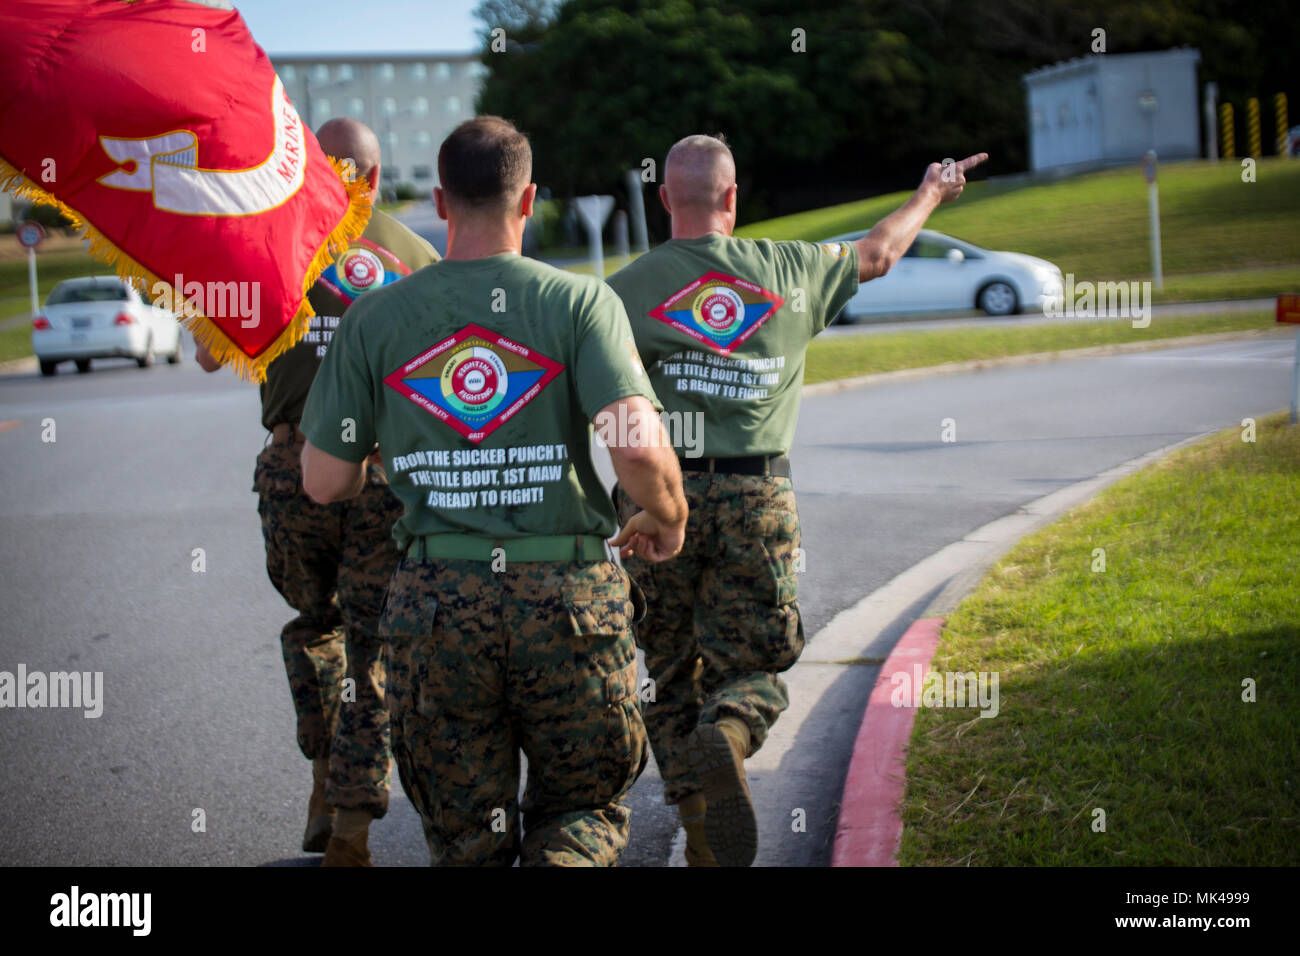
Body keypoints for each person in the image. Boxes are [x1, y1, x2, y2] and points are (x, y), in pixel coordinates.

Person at [298, 115, 688, 867]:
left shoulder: (375, 317)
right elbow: (636, 442)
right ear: (530, 198)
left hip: (435, 606)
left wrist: (401, 451)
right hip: (568, 598)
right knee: (578, 811)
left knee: (467, 835)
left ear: (440, 203)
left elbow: (323, 481)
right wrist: (666, 513)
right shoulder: (581, 302)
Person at [606, 134, 988, 866]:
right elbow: (879, 251)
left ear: (664, 199)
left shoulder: (627, 288)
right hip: (758, 492)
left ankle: (695, 824)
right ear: (733, 198)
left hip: (659, 497)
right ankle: (737, 727)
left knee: (666, 661)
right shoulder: (793, 267)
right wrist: (932, 193)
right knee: (757, 653)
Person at [195, 118, 441, 866]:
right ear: (373, 175)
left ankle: (322, 775)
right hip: (381, 472)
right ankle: (352, 825)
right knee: (374, 647)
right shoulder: (416, 254)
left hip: (293, 465)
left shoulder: (268, 240)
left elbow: (209, 355)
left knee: (315, 621)